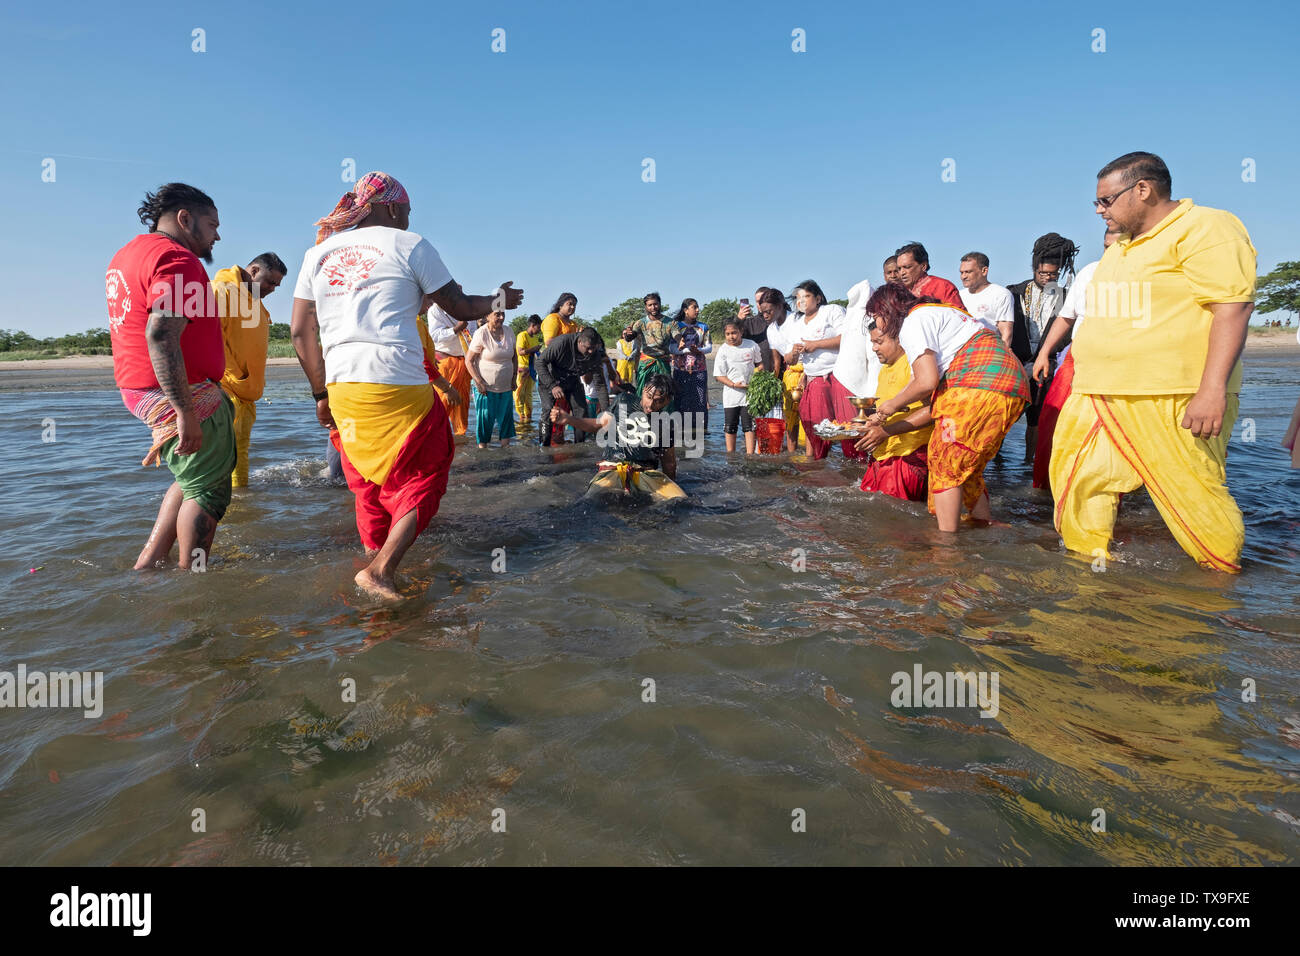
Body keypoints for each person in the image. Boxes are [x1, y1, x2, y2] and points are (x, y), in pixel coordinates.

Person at [290, 170, 522, 599]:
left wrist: (321, 393)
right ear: (394, 207)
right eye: (408, 212)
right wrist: (499, 300)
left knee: (366, 479)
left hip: (342, 386)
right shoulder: (410, 244)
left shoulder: (316, 254)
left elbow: (301, 333)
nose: (410, 220)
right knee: (429, 468)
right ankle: (381, 571)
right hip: (395, 378)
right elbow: (458, 305)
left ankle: (371, 558)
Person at [1051, 151, 1256, 572]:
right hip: (1096, 392)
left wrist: (1212, 390)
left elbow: (1231, 308)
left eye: (1106, 200)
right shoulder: (1119, 248)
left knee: (1192, 495)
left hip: (1172, 395)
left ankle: (1219, 589)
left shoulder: (1206, 226)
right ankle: (1088, 574)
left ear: (1143, 189)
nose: (1098, 210)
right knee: (1078, 484)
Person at [107, 182, 234, 570]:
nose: (217, 234)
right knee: (209, 491)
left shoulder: (126, 255)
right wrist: (185, 410)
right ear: (185, 218)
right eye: (212, 224)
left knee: (190, 479)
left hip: (138, 389)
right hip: (179, 394)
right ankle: (194, 576)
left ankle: (148, 563)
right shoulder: (178, 259)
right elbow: (161, 333)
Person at [865, 283, 1029, 532]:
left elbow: (926, 381)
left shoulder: (912, 320)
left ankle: (945, 545)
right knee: (966, 465)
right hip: (1010, 384)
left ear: (887, 310)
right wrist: (885, 413)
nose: (877, 324)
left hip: (978, 385)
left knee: (944, 461)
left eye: (876, 317)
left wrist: (889, 406)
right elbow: (924, 383)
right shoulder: (943, 311)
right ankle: (984, 524)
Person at [1030, 226, 1119, 490]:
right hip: (1077, 359)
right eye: (1106, 246)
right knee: (1051, 419)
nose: (1110, 252)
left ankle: (1105, 490)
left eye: (1117, 246)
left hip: (1117, 363)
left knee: (1108, 429)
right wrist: (1044, 353)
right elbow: (1067, 316)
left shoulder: (1142, 276)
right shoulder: (1089, 273)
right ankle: (1046, 488)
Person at [551, 373, 686, 501]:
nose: (650, 405)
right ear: (644, 390)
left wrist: (670, 484)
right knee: (590, 499)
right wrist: (568, 419)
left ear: (667, 401)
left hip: (646, 473)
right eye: (649, 397)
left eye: (658, 401)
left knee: (679, 499)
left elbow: (669, 464)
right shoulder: (623, 400)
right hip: (613, 469)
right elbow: (596, 425)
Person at [214, 252, 286, 488]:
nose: (273, 289)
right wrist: (237, 376)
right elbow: (211, 340)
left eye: (276, 285)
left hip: (245, 393)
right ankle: (220, 512)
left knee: (239, 457)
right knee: (223, 460)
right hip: (227, 391)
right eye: (270, 282)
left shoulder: (251, 297)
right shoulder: (223, 290)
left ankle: (240, 510)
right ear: (254, 271)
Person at [1008, 233, 1080, 459]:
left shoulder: (1066, 297)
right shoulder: (1013, 292)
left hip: (1046, 366)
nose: (1048, 277)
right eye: (1043, 273)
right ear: (1034, 269)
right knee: (1003, 417)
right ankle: (997, 467)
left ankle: (1030, 465)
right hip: (1016, 364)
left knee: (1037, 421)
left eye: (1053, 274)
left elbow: (1068, 332)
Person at [854, 319, 935, 501]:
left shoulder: (915, 364)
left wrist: (885, 431)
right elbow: (890, 408)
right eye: (872, 342)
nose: (874, 348)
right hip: (884, 453)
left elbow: (934, 410)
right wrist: (872, 421)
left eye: (879, 342)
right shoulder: (885, 369)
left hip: (908, 455)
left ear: (899, 339)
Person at [783, 279, 846, 460]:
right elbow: (788, 358)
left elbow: (847, 337)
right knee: (811, 423)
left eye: (806, 296)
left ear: (818, 298)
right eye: (798, 298)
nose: (801, 301)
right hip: (811, 377)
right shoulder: (796, 323)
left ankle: (822, 463)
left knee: (835, 426)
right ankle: (815, 462)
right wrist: (793, 354)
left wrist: (816, 345)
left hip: (835, 375)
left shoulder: (831, 311)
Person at [536, 327, 608, 446]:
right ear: (579, 342)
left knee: (581, 411)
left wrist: (607, 411)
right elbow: (539, 363)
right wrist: (552, 385)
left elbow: (600, 385)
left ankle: (579, 447)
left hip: (572, 380)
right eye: (588, 348)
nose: (590, 352)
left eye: (593, 348)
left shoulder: (594, 355)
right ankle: (543, 447)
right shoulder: (562, 343)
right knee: (548, 411)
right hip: (549, 379)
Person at [832, 277, 878, 459]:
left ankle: (855, 464)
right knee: (856, 430)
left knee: (855, 431)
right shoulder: (859, 318)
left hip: (846, 379)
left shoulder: (855, 317)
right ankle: (860, 465)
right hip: (851, 382)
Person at [425, 300, 478, 436]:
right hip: (445, 363)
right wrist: (455, 329)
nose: (458, 296)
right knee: (441, 404)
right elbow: (435, 336)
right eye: (454, 293)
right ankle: (434, 437)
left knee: (462, 404)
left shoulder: (467, 311)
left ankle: (460, 439)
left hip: (464, 363)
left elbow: (472, 336)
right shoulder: (435, 310)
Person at [467, 310, 519, 448]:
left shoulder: (509, 331)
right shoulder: (481, 333)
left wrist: (514, 378)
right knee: (485, 421)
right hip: (485, 388)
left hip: (506, 386)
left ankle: (506, 452)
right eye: (497, 314)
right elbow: (469, 361)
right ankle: (482, 453)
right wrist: (479, 382)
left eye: (503, 314)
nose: (501, 317)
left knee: (506, 420)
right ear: (487, 316)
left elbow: (514, 356)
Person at [761, 287, 803, 452]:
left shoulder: (796, 320)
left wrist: (803, 377)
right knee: (789, 418)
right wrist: (771, 382)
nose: (765, 315)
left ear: (780, 306)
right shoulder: (771, 329)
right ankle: (792, 454)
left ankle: (812, 460)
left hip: (806, 371)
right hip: (789, 373)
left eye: (768, 311)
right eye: (763, 312)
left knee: (807, 418)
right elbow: (777, 361)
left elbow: (804, 347)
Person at [713, 319, 763, 453]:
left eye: (734, 333)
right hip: (731, 395)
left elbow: (759, 364)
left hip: (750, 394)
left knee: (750, 426)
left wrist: (758, 379)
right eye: (728, 334)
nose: (731, 337)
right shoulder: (723, 350)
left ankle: (750, 455)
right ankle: (731, 456)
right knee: (730, 426)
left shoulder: (751, 345)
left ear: (741, 332)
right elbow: (718, 375)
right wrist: (733, 384)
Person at [671, 297, 711, 440]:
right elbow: (671, 347)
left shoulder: (703, 327)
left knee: (700, 400)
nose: (697, 310)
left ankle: (701, 431)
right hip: (680, 369)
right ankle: (679, 431)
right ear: (685, 310)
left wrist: (699, 350)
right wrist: (687, 350)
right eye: (694, 307)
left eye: (697, 307)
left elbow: (709, 347)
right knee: (680, 399)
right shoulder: (676, 326)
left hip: (699, 368)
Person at [957, 252, 1014, 346]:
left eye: (968, 272)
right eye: (961, 272)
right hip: (961, 353)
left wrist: (1000, 358)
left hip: (987, 352)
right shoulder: (958, 295)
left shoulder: (1001, 294)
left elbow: (1006, 334)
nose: (963, 276)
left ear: (984, 271)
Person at [631, 292, 675, 398]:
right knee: (643, 391)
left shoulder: (670, 322)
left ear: (659, 304)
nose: (653, 307)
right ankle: (642, 413)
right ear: (646, 307)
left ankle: (665, 414)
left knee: (665, 393)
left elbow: (676, 333)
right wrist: (628, 334)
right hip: (646, 362)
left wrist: (680, 340)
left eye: (655, 304)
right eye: (650, 305)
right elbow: (631, 336)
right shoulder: (640, 323)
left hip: (663, 362)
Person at [894, 242, 964, 307]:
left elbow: (959, 317)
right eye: (899, 269)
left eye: (907, 267)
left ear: (923, 266)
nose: (902, 272)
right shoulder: (897, 293)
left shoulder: (943, 287)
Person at [514, 314, 544, 424]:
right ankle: (521, 418)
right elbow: (520, 352)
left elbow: (535, 352)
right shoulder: (522, 335)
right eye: (538, 327)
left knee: (529, 395)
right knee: (518, 394)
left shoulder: (535, 338)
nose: (539, 330)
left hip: (531, 370)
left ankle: (528, 417)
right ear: (532, 325)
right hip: (522, 369)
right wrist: (533, 349)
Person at [737, 286, 774, 371]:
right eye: (757, 301)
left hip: (781, 373)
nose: (760, 304)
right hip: (759, 374)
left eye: (763, 300)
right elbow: (734, 339)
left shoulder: (779, 321)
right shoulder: (749, 323)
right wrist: (739, 320)